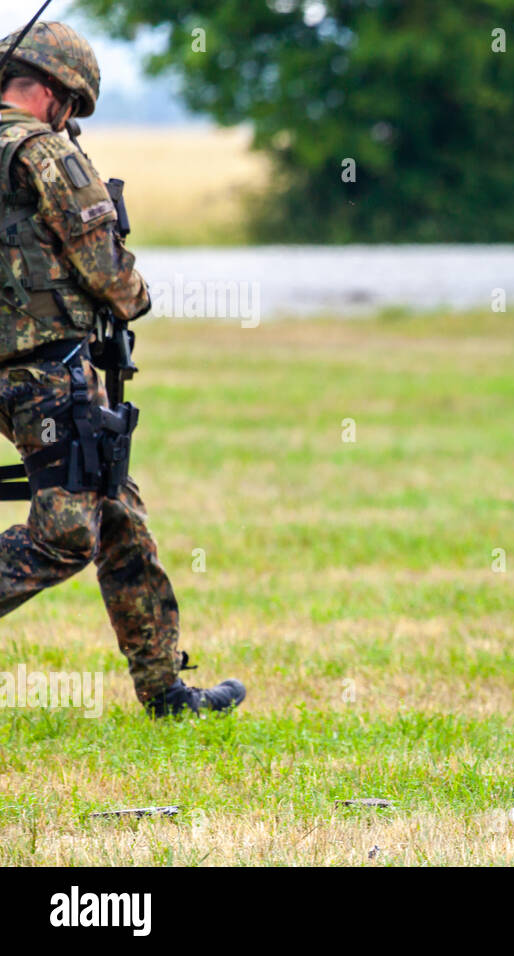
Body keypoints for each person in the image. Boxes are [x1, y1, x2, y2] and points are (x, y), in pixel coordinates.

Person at [0, 21, 244, 717]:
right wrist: (135, 299)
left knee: (118, 517)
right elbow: (109, 272)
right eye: (72, 105)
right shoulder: (44, 152)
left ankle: (165, 689)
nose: (71, 121)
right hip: (47, 371)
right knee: (66, 535)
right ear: (51, 93)